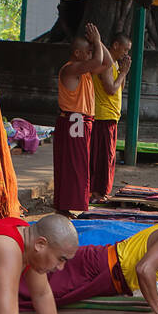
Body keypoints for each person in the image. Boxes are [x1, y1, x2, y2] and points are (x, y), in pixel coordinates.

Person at [20, 222, 158, 314]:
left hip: (105, 271)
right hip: (96, 267)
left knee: (41, 291)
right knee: (31, 290)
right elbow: (144, 268)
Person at [54, 23, 112, 215]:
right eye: (88, 52)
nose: (91, 54)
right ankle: (64, 207)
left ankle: (70, 204)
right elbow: (97, 62)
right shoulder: (70, 69)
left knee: (80, 164)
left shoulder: (84, 71)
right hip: (74, 121)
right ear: (78, 53)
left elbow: (107, 63)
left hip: (82, 122)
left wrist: (99, 42)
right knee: (73, 164)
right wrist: (95, 42)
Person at [90, 32, 132, 204]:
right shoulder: (106, 63)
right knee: (102, 157)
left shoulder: (113, 63)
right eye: (125, 49)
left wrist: (123, 72)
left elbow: (119, 86)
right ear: (115, 45)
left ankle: (101, 191)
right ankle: (98, 192)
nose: (126, 53)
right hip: (102, 116)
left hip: (110, 116)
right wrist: (123, 72)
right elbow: (110, 89)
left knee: (108, 156)